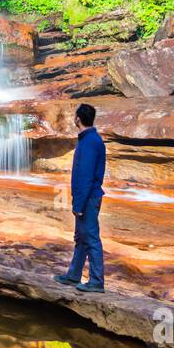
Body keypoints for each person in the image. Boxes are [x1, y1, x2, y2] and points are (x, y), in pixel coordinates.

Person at [54, 103, 106, 293]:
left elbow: (85, 175)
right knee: (81, 238)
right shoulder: (89, 139)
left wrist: (79, 204)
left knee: (91, 238)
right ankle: (73, 275)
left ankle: (96, 281)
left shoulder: (90, 142)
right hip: (87, 197)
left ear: (78, 119)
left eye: (75, 116)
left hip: (88, 198)